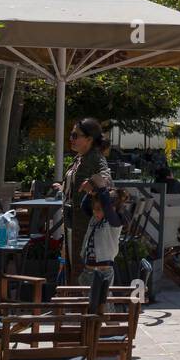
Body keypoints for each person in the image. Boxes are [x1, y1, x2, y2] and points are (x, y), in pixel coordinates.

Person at [58, 117, 111, 279]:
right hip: (71, 222)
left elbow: (106, 178)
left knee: (80, 272)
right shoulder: (79, 158)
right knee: (71, 269)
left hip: (84, 225)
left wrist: (94, 183)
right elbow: (75, 184)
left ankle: (81, 303)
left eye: (75, 135)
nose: (71, 139)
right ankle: (74, 302)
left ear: (89, 139)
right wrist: (63, 188)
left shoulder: (95, 157)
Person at [78, 172, 122, 288]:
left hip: (104, 273)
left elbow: (107, 206)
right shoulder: (94, 219)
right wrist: (90, 192)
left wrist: (102, 188)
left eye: (98, 209)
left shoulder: (113, 223)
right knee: (87, 304)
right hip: (88, 271)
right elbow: (84, 206)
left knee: (103, 304)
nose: (94, 212)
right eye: (94, 209)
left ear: (111, 209)